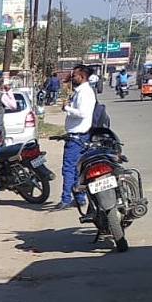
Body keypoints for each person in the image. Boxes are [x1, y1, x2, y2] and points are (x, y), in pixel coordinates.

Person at [59, 64, 96, 209]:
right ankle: (79, 198)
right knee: (76, 169)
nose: (72, 78)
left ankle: (66, 199)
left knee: (68, 169)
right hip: (76, 136)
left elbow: (82, 113)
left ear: (82, 77)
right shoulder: (79, 91)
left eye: (74, 75)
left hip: (77, 137)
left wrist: (66, 108)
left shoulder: (85, 92)